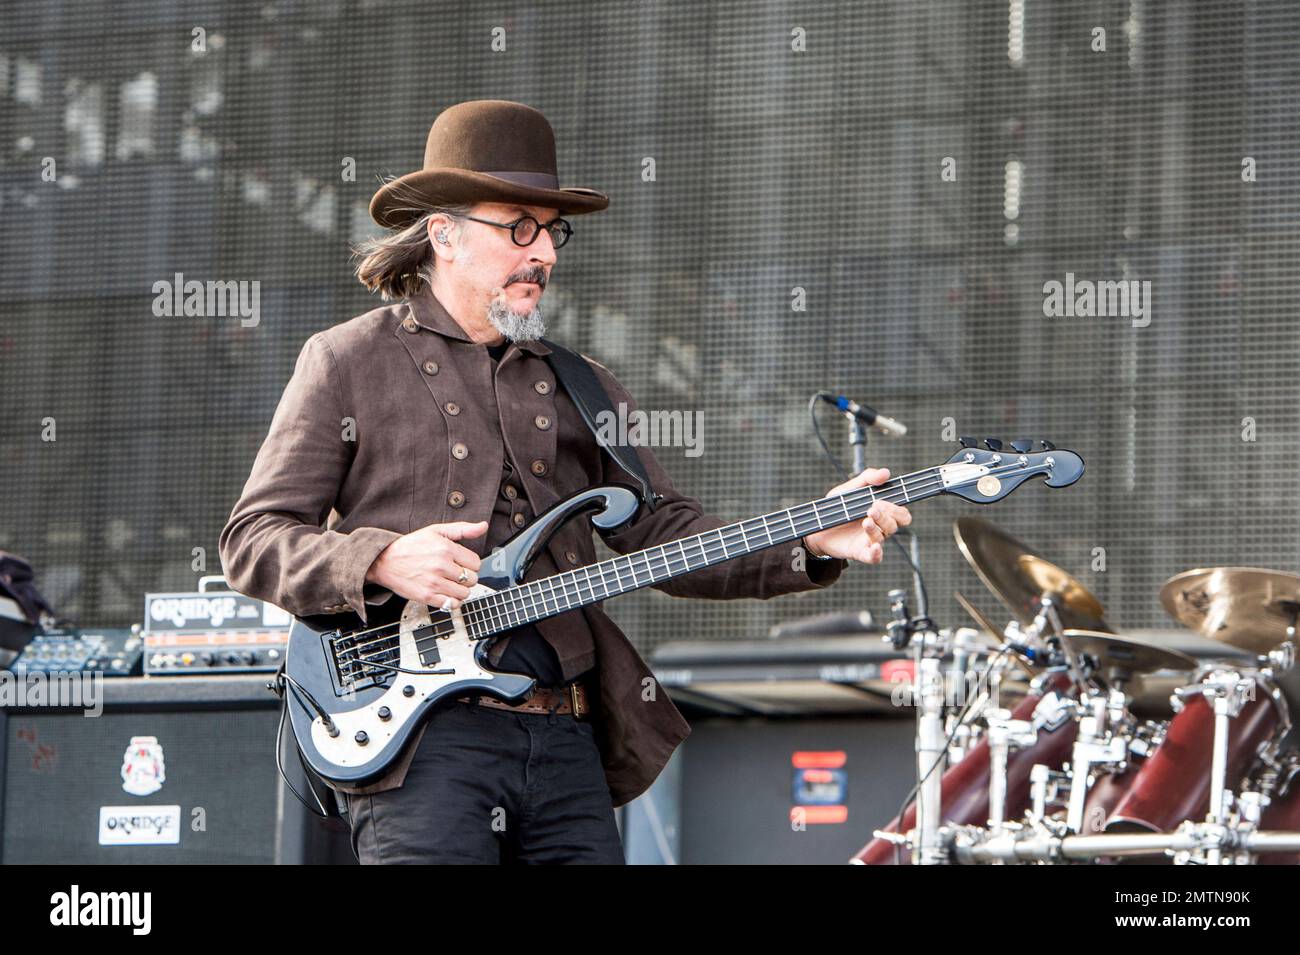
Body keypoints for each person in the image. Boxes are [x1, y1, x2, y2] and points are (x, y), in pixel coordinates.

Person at [219, 99, 911, 864]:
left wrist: (806, 534)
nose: (543, 250)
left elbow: (665, 532)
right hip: (424, 746)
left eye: (552, 229)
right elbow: (253, 541)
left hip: (567, 736)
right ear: (444, 234)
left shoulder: (584, 384)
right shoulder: (347, 359)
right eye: (519, 224)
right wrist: (380, 559)